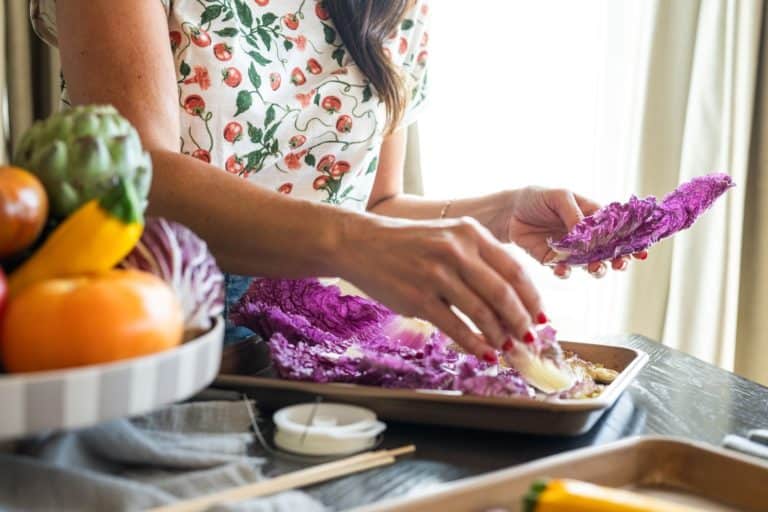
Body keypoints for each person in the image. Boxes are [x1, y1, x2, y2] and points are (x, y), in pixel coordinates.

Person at [31, 0, 640, 363]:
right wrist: (357, 243)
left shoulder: (393, 4)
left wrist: (497, 213)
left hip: (306, 357)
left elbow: (376, 203)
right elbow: (141, 179)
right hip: (134, 346)